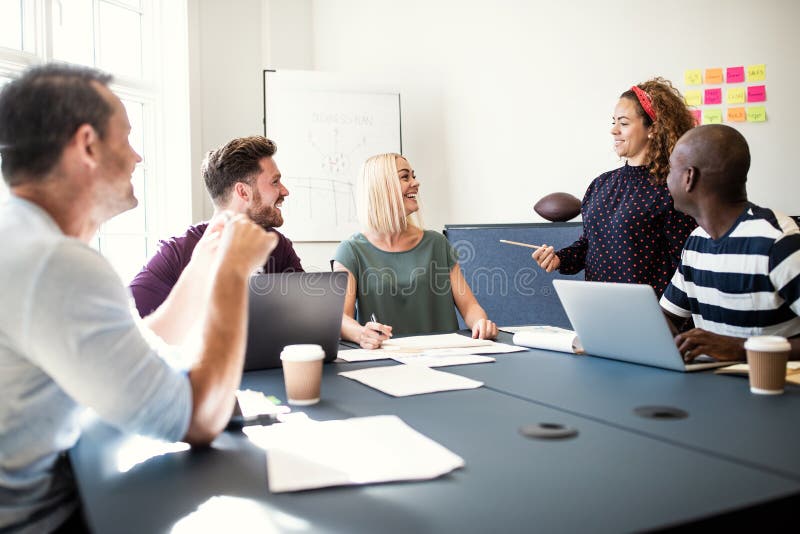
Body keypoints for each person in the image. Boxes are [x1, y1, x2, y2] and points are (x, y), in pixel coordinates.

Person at [0, 64, 277, 532]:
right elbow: (201, 417)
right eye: (125, 138)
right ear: (88, 145)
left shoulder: (21, 241)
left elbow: (131, 347)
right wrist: (232, 274)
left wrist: (202, 268)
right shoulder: (54, 263)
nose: (137, 157)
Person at [533, 78, 697, 296]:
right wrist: (559, 259)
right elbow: (590, 245)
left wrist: (669, 317)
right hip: (602, 311)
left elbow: (687, 265)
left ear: (653, 129)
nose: (614, 130)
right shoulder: (600, 185)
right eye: (614, 122)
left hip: (654, 319)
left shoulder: (672, 188)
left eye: (624, 123)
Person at [660, 124, 800, 361]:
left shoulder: (777, 241)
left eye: (670, 169)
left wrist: (740, 349)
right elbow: (667, 316)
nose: (666, 179)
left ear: (689, 177)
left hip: (773, 392)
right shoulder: (696, 242)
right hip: (712, 387)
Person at [333, 153, 497, 349]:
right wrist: (362, 334)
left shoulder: (437, 243)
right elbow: (341, 318)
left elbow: (470, 306)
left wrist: (480, 322)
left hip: (445, 358)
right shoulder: (351, 251)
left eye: (413, 175)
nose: (416, 183)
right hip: (385, 363)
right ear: (381, 188)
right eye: (405, 177)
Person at [130, 136, 302, 317]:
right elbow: (128, 326)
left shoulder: (277, 245)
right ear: (243, 192)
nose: (285, 191)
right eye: (275, 182)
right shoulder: (175, 254)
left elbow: (309, 312)